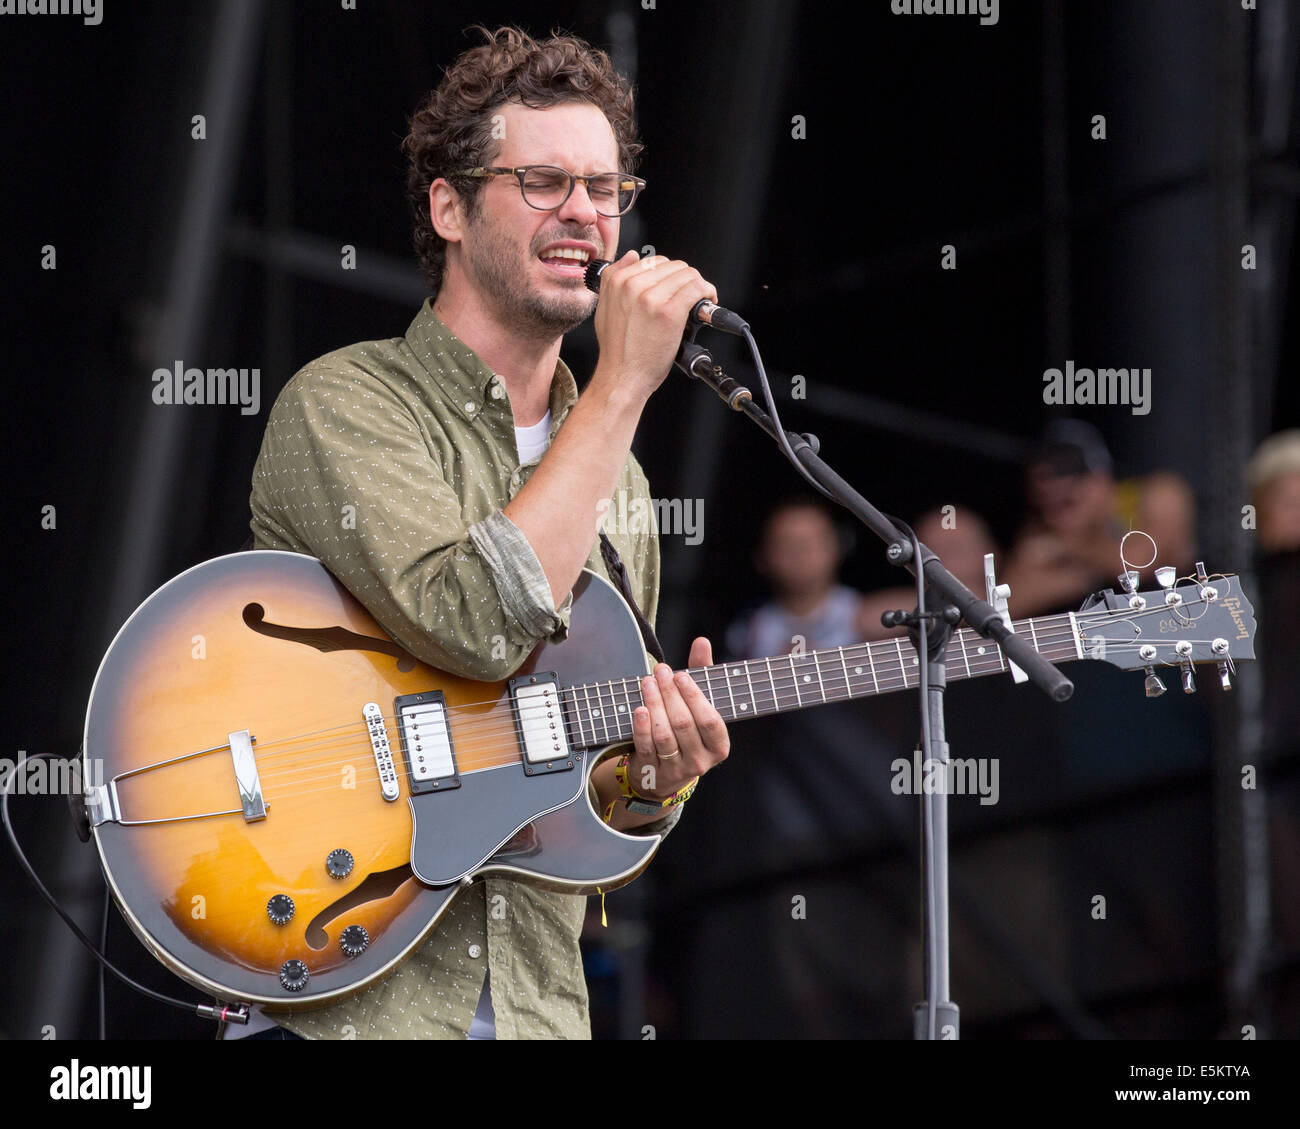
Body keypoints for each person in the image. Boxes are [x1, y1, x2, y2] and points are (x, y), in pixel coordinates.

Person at [236, 25, 731, 1040]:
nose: (584, 216)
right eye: (544, 181)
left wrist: (648, 782)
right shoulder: (347, 402)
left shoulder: (622, 481)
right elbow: (472, 624)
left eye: (604, 190)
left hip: (534, 1008)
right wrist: (626, 381)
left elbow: (570, 791)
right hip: (349, 1002)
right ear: (449, 206)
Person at [1001, 420, 1196, 616]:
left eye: (1068, 502)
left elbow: (1137, 564)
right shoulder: (1045, 529)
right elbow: (1008, 607)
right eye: (1045, 507)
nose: (1056, 518)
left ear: (1100, 479)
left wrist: (1069, 548)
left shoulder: (1157, 494)